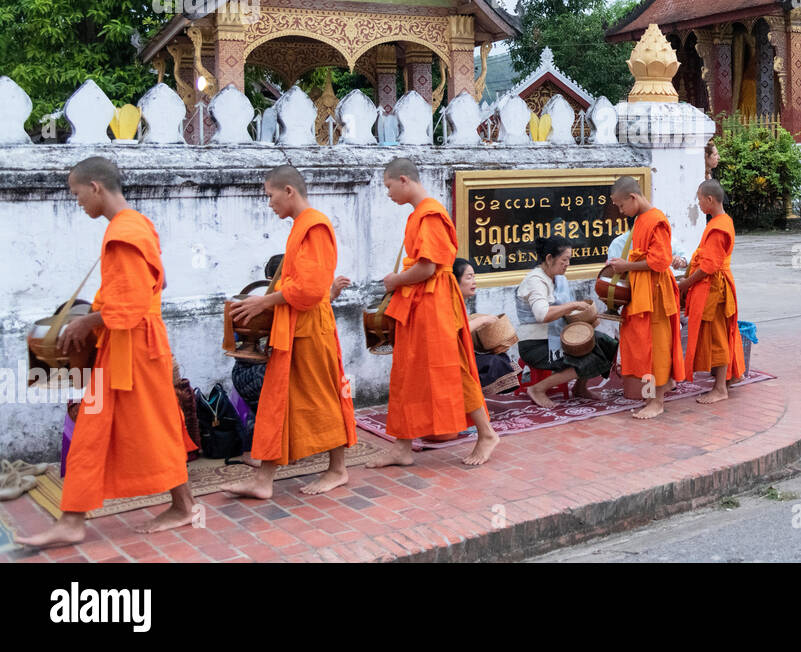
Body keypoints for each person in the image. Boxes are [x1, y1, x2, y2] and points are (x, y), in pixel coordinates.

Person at [18, 157, 197, 549]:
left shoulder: (124, 231)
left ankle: (180, 508)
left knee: (149, 427)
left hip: (134, 347)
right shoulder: (137, 225)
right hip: (129, 346)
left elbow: (130, 305)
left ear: (95, 187)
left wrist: (86, 322)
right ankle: (74, 519)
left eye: (77, 193)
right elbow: (159, 282)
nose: (77, 201)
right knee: (103, 429)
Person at [220, 166, 356, 498]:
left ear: (289, 191)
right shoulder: (300, 227)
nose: (269, 203)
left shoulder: (315, 226)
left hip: (310, 329)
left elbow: (310, 289)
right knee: (276, 401)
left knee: (321, 398)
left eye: (270, 195)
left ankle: (338, 470)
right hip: (293, 327)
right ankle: (263, 481)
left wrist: (264, 302)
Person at [366, 158, 499, 468]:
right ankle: (402, 446)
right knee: (407, 372)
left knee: (453, 367)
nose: (388, 194)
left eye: (388, 187)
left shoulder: (431, 215)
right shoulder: (417, 216)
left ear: (404, 180)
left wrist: (396, 280)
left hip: (435, 305)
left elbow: (427, 267)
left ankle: (487, 433)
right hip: (418, 305)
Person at [606, 176, 686, 419]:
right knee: (643, 347)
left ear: (633, 197)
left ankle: (657, 401)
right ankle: (651, 397)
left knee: (657, 349)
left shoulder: (656, 220)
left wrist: (626, 265)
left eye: (621, 206)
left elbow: (660, 262)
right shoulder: (641, 220)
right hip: (642, 293)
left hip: (656, 294)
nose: (621, 212)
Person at [516, 237, 618, 408]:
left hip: (559, 337)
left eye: (569, 259)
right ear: (549, 259)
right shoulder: (535, 280)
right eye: (564, 260)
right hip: (536, 344)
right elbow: (542, 314)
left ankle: (580, 387)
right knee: (589, 354)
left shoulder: (559, 279)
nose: (568, 264)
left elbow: (567, 313)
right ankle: (537, 389)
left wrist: (587, 319)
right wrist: (572, 305)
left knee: (604, 343)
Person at [680, 180, 745, 402]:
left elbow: (709, 267)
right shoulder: (721, 221)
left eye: (699, 199)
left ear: (709, 199)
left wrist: (685, 284)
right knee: (723, 333)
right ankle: (730, 377)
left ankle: (720, 389)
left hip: (715, 288)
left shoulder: (719, 227)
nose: (698, 203)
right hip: (716, 284)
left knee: (717, 336)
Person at [453, 259, 522, 395]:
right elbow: (454, 331)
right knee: (493, 362)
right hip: (452, 359)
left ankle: (476, 407)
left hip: (462, 354)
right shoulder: (448, 303)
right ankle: (474, 409)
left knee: (501, 356)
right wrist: (482, 321)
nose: (474, 281)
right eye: (469, 277)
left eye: (474, 277)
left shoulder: (459, 302)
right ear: (455, 281)